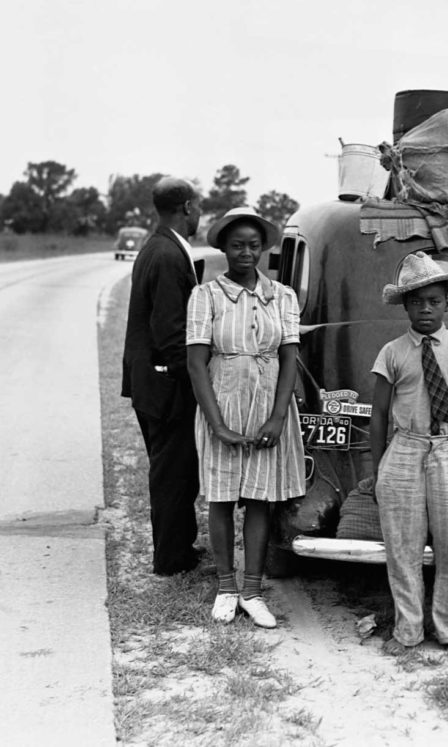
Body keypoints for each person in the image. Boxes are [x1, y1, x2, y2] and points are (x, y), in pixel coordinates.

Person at [186, 207, 305, 628]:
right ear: (223, 247)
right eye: (237, 245)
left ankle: (252, 591)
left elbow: (289, 358)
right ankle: (226, 587)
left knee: (259, 498)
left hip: (269, 403)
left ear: (264, 249)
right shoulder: (206, 296)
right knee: (221, 497)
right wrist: (217, 423)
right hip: (224, 398)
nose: (246, 253)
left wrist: (276, 418)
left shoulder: (283, 296)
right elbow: (197, 363)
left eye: (254, 246)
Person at [369, 251, 448, 656]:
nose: (425, 309)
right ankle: (408, 630)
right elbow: (379, 414)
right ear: (404, 305)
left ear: (447, 303)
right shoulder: (392, 353)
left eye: (434, 301)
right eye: (416, 301)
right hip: (404, 450)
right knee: (403, 547)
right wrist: (379, 469)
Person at [121, 177, 205, 575]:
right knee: (173, 472)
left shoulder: (158, 246)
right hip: (165, 385)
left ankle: (178, 547)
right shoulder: (169, 255)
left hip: (152, 380)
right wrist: (191, 378)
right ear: (186, 207)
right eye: (199, 206)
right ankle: (171, 559)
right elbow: (172, 332)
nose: (200, 213)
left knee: (174, 468)